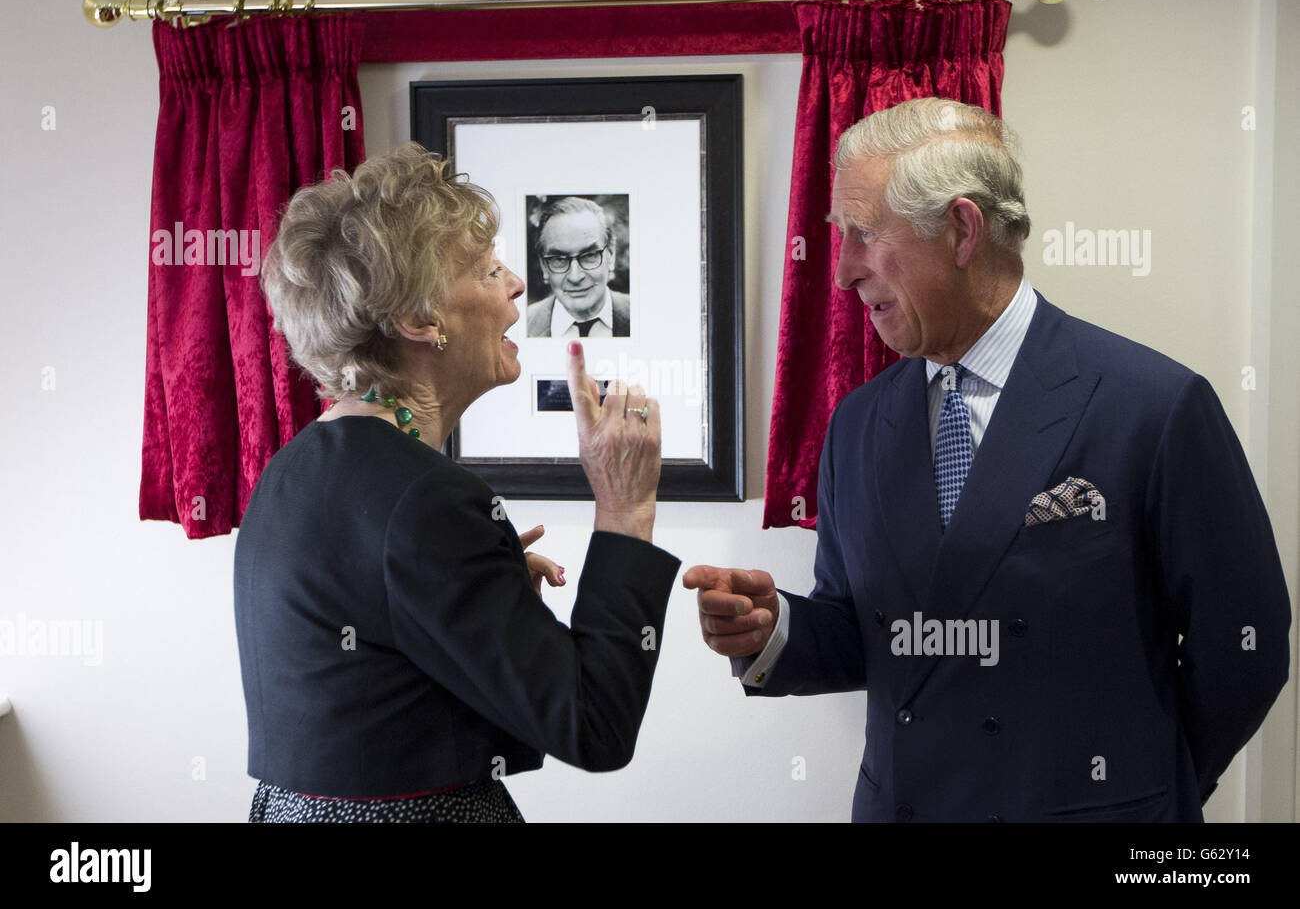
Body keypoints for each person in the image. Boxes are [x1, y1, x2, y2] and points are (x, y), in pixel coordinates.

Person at [686, 97, 1291, 823]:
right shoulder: (858, 424)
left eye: (865, 234)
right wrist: (773, 627)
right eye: (838, 236)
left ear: (962, 229)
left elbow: (1244, 650)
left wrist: (1146, 788)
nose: (842, 271)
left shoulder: (1156, 407)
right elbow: (867, 629)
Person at [235, 142, 677, 823]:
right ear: (421, 321)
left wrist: (478, 592)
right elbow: (595, 725)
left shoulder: (289, 473)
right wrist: (625, 505)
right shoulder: (428, 502)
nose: (518, 288)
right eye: (489, 269)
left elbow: (371, 681)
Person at [526, 197, 631, 337]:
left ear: (611, 256)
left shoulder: (641, 314)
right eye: (559, 259)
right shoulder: (523, 325)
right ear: (544, 266)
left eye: (589, 256)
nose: (575, 277)